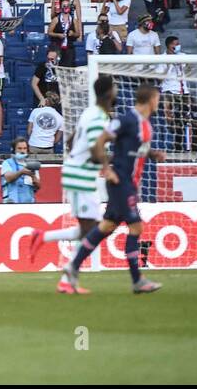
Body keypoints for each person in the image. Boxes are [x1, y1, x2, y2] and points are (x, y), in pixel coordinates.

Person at [61, 84, 166, 294]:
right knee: (136, 227)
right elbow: (100, 141)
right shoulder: (127, 119)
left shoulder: (145, 124)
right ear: (151, 99)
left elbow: (136, 149)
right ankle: (137, 280)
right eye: (158, 98)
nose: (159, 102)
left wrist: (153, 154)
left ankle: (72, 267)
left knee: (106, 227)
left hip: (130, 183)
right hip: (120, 182)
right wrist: (107, 170)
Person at [30, 74, 117, 292]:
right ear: (108, 93)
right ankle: (68, 275)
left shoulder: (90, 113)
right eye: (115, 88)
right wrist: (107, 167)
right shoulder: (98, 118)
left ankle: (49, 246)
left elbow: (70, 141)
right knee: (95, 229)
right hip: (80, 174)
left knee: (90, 228)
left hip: (79, 172)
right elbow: (96, 150)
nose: (117, 91)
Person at [1, 138, 40, 203]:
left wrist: (33, 176)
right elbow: (8, 178)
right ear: (13, 150)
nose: (22, 151)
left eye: (25, 148)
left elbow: (38, 186)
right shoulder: (7, 162)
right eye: (19, 148)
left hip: (28, 202)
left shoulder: (32, 164)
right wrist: (21, 172)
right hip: (11, 202)